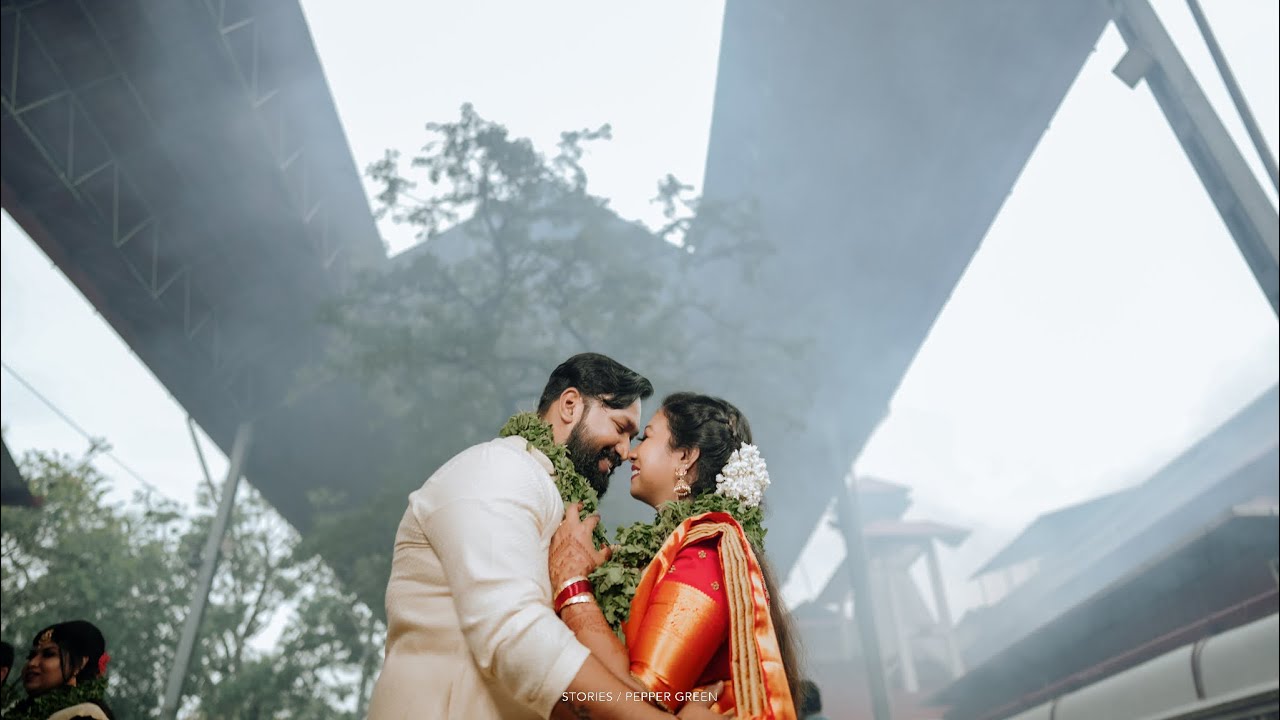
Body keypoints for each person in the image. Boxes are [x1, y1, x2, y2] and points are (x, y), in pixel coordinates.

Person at [367, 353, 723, 720]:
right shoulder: (498, 468)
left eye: (634, 436)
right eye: (620, 427)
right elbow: (515, 633)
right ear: (570, 405)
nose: (624, 450)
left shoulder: (562, 509)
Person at [550, 392, 802, 719]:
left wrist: (572, 587)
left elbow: (640, 698)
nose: (631, 453)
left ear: (685, 456)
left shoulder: (705, 553)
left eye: (645, 438)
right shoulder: (681, 548)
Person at [3, 621, 113, 720]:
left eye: (49, 654)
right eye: (31, 656)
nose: (32, 663)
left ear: (79, 664)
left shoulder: (87, 715)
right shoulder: (15, 711)